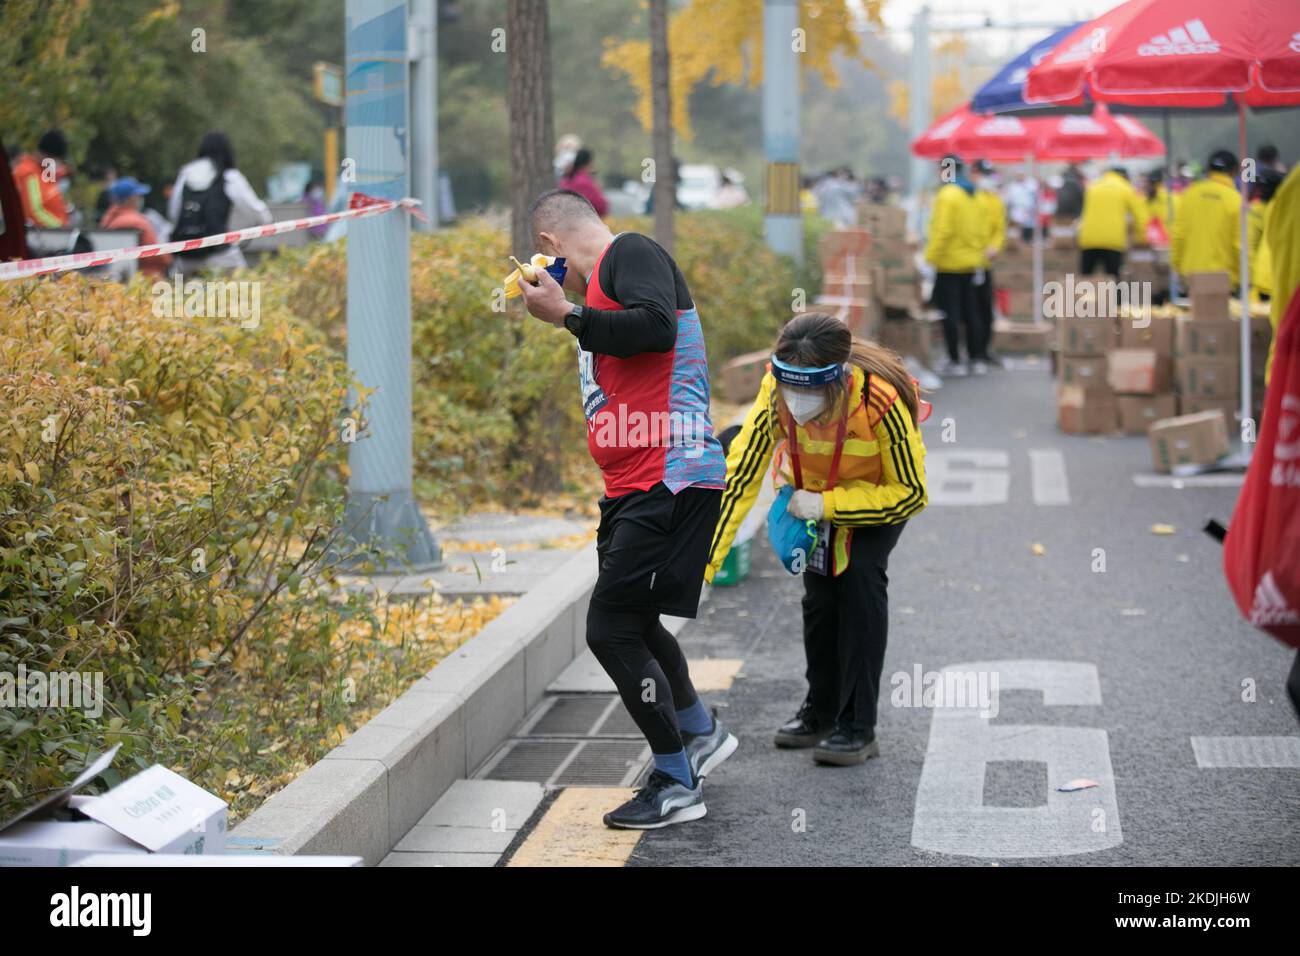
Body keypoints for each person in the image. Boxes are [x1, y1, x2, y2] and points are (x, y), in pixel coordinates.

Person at [515, 189, 736, 829]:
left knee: (609, 628)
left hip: (667, 474)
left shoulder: (627, 253)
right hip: (638, 483)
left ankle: (676, 782)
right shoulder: (601, 289)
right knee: (634, 621)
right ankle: (699, 734)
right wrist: (573, 315)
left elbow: (656, 327)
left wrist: (568, 315)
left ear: (552, 245)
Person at [706, 312, 928, 764]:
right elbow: (743, 475)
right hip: (810, 497)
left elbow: (911, 493)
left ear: (839, 379)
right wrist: (704, 563)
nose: (798, 401)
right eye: (791, 388)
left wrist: (829, 507)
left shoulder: (880, 401)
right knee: (820, 600)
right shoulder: (777, 391)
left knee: (860, 586)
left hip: (873, 502)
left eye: (810, 391)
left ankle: (857, 726)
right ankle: (820, 710)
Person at [167, 131, 271, 272]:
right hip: (219, 254)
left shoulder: (186, 175)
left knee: (185, 291)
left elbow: (174, 211)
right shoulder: (228, 176)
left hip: (185, 255)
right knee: (245, 288)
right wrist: (266, 220)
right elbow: (253, 208)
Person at [924, 155, 985, 376]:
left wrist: (930, 258)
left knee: (950, 313)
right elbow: (981, 229)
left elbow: (943, 231)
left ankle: (955, 360)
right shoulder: (973, 195)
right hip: (971, 263)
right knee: (971, 313)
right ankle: (976, 358)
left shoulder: (947, 195)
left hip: (948, 263)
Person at [1171, 149, 1242, 288]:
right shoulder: (1236, 200)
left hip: (1191, 276)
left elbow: (1178, 235)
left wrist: (1177, 267)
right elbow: (1240, 246)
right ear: (1234, 171)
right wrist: (1244, 278)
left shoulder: (1188, 195)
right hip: (1223, 279)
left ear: (1208, 170)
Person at [1077, 166, 1147, 279]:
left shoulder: (1093, 187)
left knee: (1086, 279)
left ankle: (1085, 297)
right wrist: (1140, 238)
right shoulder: (1126, 188)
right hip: (1113, 241)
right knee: (1114, 280)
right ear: (1124, 176)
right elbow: (1141, 216)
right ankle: (1114, 297)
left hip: (1088, 239)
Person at [99, 177, 172, 279]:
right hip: (146, 279)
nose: (140, 198)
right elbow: (156, 253)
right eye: (138, 195)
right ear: (131, 198)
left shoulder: (108, 219)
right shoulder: (137, 221)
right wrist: (169, 258)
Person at [971, 159, 1007, 366]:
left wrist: (995, 246)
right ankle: (972, 351)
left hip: (984, 263)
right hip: (967, 261)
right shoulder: (969, 197)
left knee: (985, 309)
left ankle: (984, 349)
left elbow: (999, 230)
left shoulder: (995, 200)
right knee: (970, 311)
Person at [12, 129, 72, 228]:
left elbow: (52, 198)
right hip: (44, 235)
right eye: (56, 159)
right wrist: (59, 227)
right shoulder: (28, 173)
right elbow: (33, 211)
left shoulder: (45, 170)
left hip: (55, 235)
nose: (58, 164)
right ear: (47, 155)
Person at [558, 148, 609, 218]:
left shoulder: (566, 180)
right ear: (588, 163)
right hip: (583, 220)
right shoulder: (583, 182)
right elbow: (601, 206)